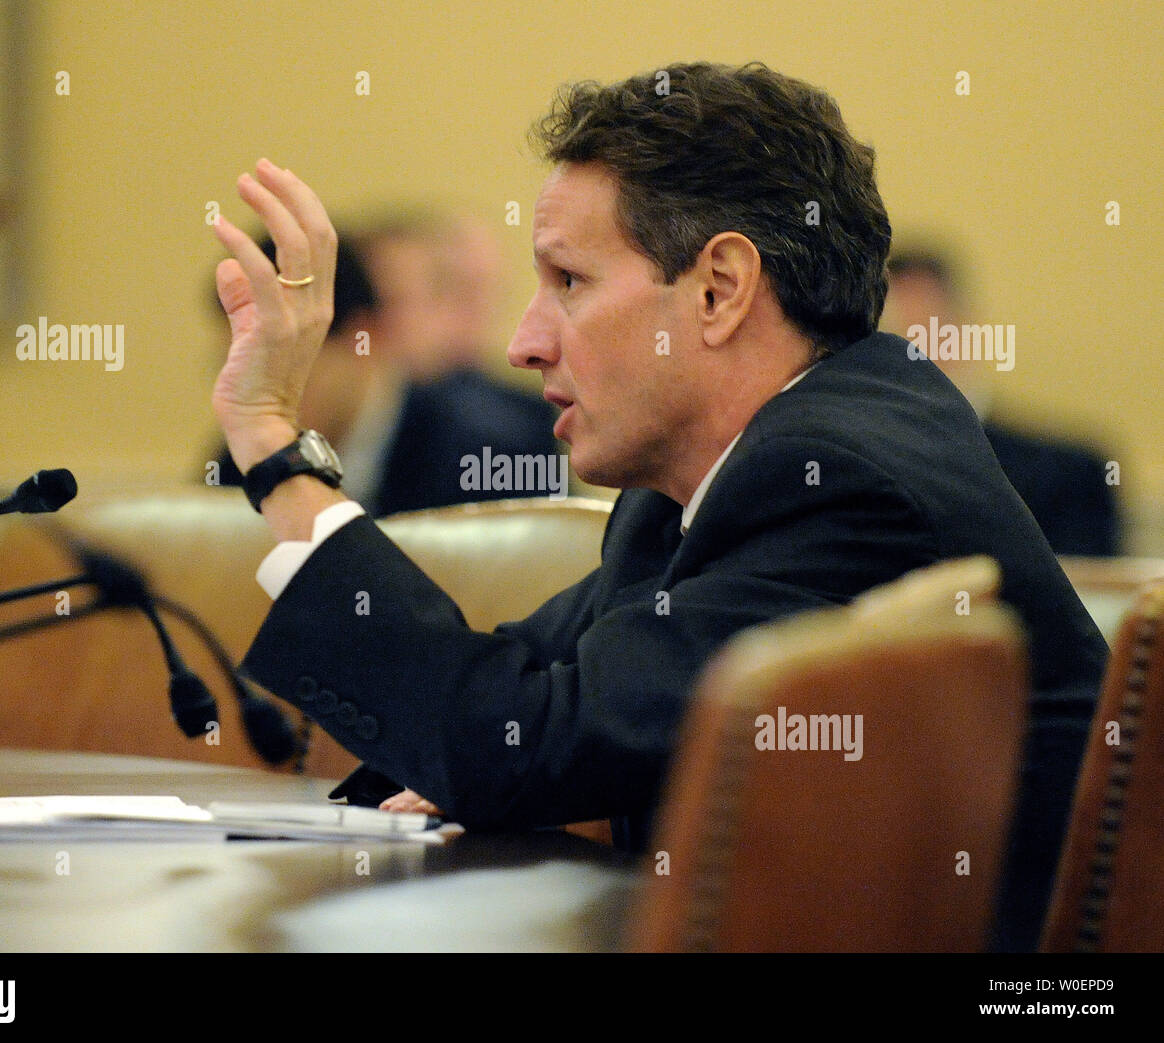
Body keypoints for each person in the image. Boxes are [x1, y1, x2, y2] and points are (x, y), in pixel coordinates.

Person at [208, 62, 1107, 951]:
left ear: (718, 290)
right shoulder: (705, 474)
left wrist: (273, 447)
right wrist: (466, 751)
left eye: (569, 281)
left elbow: (516, 740)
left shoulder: (840, 480)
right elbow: (519, 697)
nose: (522, 343)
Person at [211, 234, 559, 516]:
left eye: (279, 368)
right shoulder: (245, 458)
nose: (264, 395)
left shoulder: (490, 452)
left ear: (362, 338)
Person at [882, 248, 1122, 556]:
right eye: (890, 338)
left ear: (964, 331)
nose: (911, 354)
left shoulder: (1067, 476)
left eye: (926, 332)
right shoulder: (839, 469)